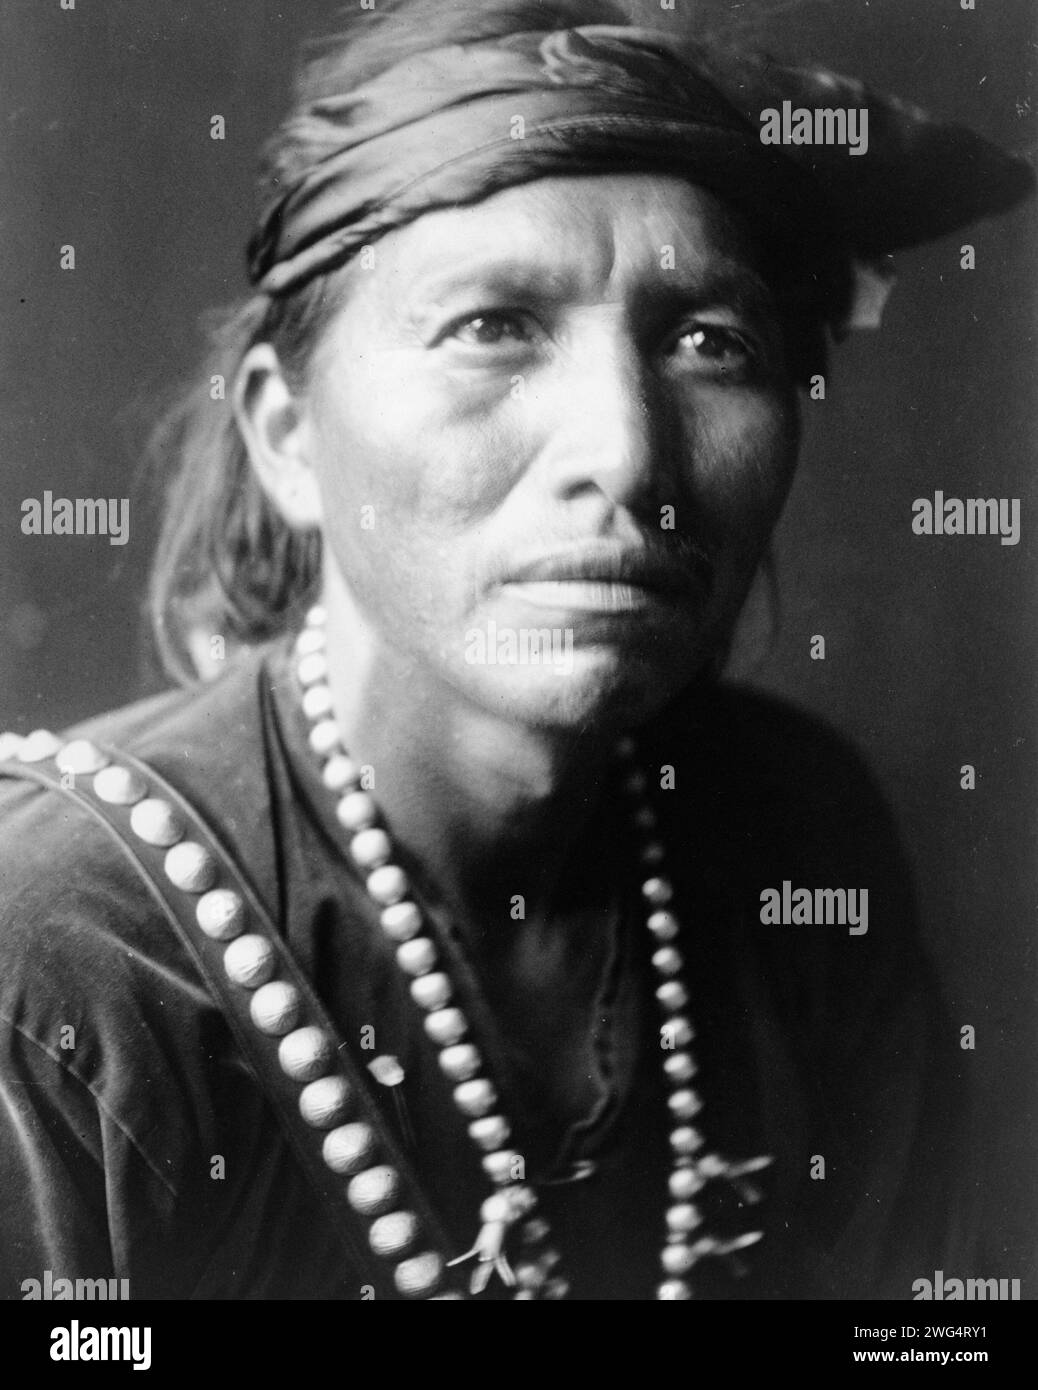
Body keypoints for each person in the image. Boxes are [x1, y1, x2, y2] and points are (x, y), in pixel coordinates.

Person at [0, 0, 1031, 1302]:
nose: (626, 451)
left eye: (711, 342)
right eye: (492, 325)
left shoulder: (797, 835)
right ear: (285, 434)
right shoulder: (57, 959)